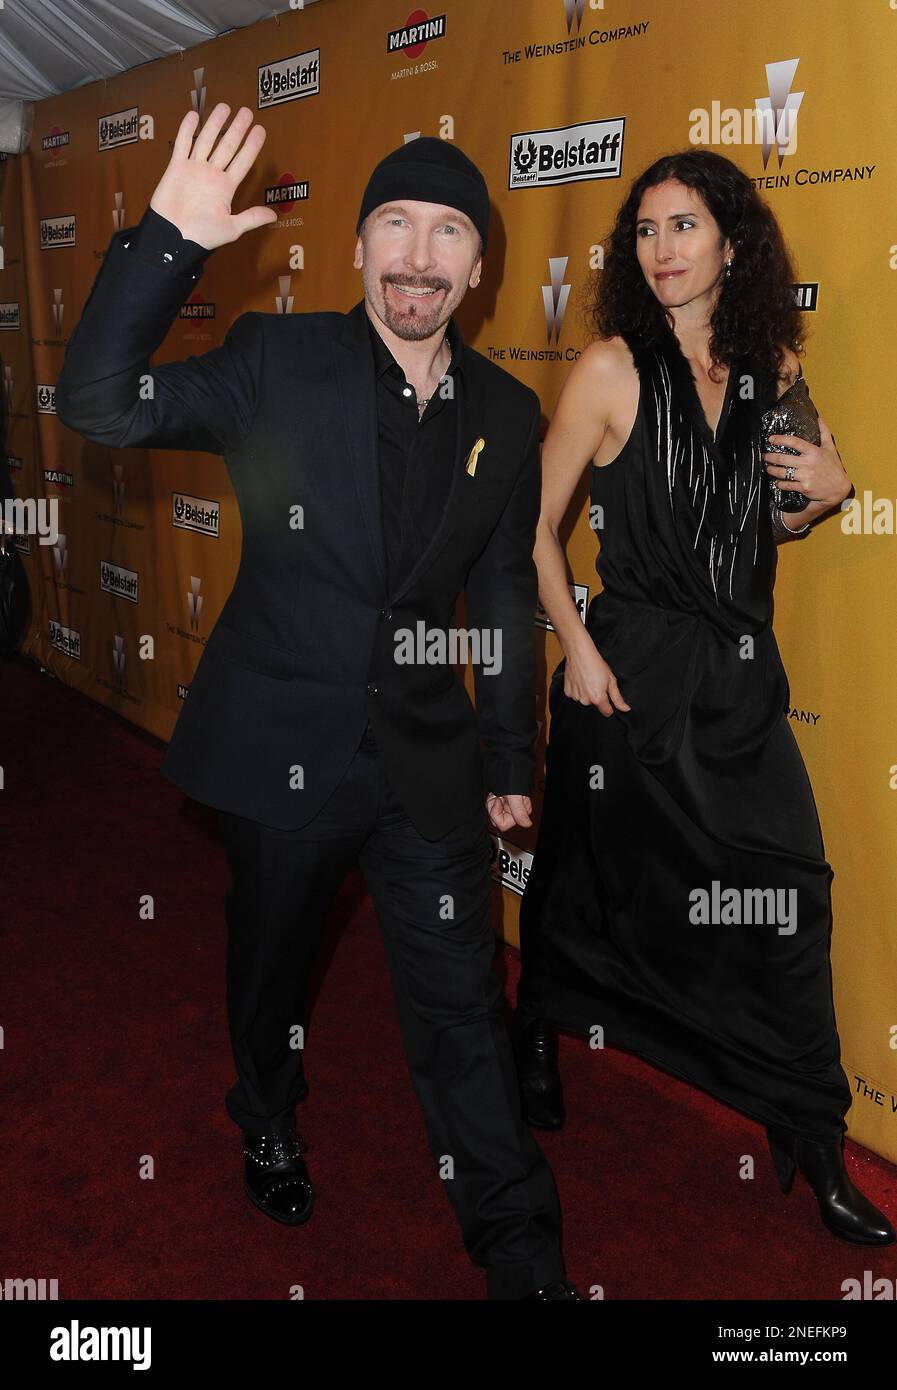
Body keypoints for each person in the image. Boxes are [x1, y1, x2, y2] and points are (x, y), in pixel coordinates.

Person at [56, 104, 582, 1299]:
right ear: (356, 250)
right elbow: (99, 407)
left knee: (462, 1012)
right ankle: (267, 1111)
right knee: (272, 972)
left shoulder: (506, 415)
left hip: (428, 764)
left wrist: (513, 753)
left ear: (482, 266)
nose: (419, 255)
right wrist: (165, 244)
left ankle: (522, 1252)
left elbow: (504, 593)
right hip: (282, 746)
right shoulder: (275, 361)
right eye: (395, 224)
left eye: (449, 232)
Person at [512, 149, 894, 1247]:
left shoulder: (773, 366)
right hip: (625, 674)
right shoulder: (608, 370)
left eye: (684, 226)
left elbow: (764, 521)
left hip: (736, 682)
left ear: (733, 242)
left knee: (785, 896)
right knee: (588, 877)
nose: (664, 249)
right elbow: (531, 530)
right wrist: (574, 646)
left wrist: (829, 494)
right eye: (646, 231)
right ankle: (538, 1025)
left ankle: (807, 1132)